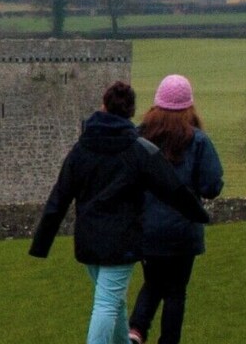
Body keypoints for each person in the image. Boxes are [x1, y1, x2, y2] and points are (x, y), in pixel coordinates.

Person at [29, 81, 210, 344]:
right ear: (130, 112)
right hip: (123, 242)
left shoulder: (81, 150)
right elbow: (172, 188)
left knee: (114, 301)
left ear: (103, 106)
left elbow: (60, 197)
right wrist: (199, 214)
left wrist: (41, 243)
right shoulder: (139, 151)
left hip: (88, 240)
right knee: (106, 303)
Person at [127, 75, 224, 344]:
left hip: (148, 228)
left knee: (153, 282)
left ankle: (136, 330)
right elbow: (211, 185)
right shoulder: (198, 141)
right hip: (184, 230)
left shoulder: (138, 138)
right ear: (188, 107)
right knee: (176, 291)